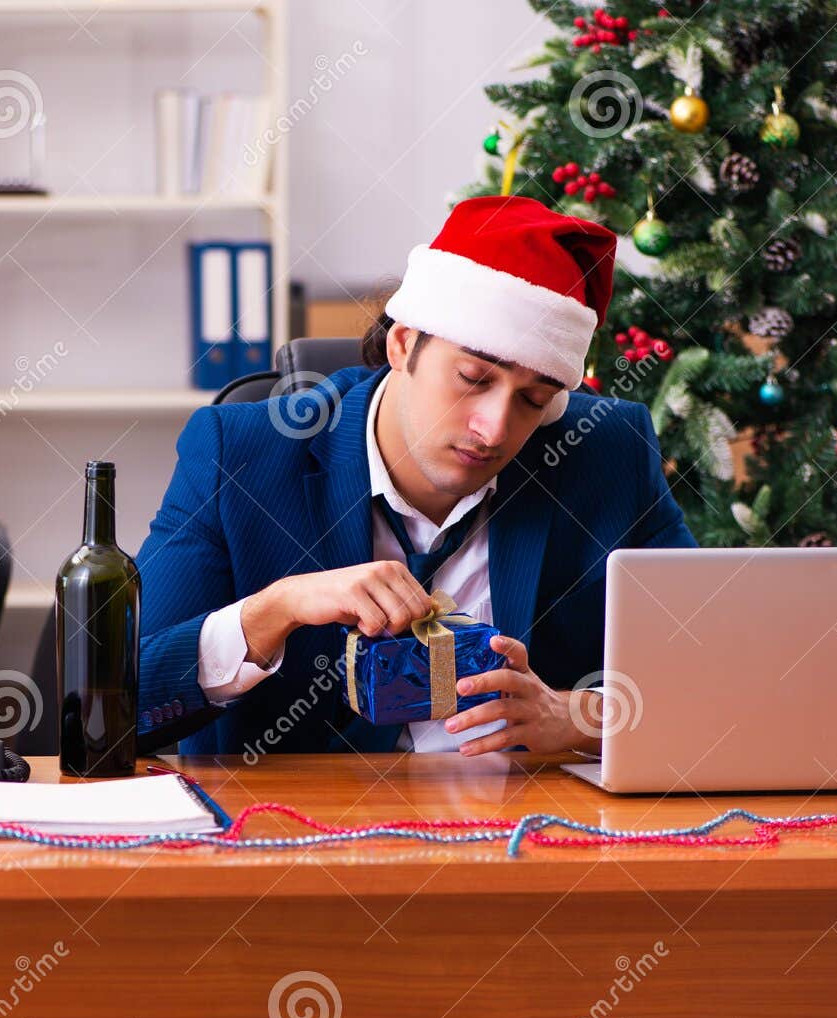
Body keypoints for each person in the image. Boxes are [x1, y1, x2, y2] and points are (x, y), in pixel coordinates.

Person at [136, 194, 696, 757]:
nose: (494, 429)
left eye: (532, 399)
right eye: (473, 378)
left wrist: (585, 716)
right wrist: (275, 610)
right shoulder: (238, 454)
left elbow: (712, 664)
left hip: (529, 828)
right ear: (403, 344)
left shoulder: (606, 451)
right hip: (303, 830)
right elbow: (113, 704)